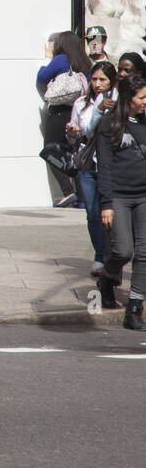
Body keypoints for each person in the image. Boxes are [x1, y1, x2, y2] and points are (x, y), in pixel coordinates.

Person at [95, 72, 146, 330]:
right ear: (128, 98)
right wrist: (106, 204)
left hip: (144, 197)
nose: (145, 101)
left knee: (145, 252)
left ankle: (134, 308)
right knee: (122, 250)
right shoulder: (109, 124)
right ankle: (107, 278)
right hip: (119, 197)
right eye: (142, 97)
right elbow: (103, 167)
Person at [68, 61, 116, 276]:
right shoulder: (80, 103)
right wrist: (71, 132)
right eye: (94, 79)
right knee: (93, 212)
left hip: (112, 165)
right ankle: (100, 256)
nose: (97, 84)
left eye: (102, 79)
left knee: (111, 212)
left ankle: (113, 254)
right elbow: (82, 134)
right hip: (87, 164)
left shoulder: (119, 102)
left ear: (111, 81)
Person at [38, 31, 93, 207]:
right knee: (73, 153)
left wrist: (47, 58)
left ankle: (67, 192)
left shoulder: (61, 59)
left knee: (51, 150)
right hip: (76, 111)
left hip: (59, 112)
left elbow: (41, 77)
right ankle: (82, 196)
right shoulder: (85, 62)